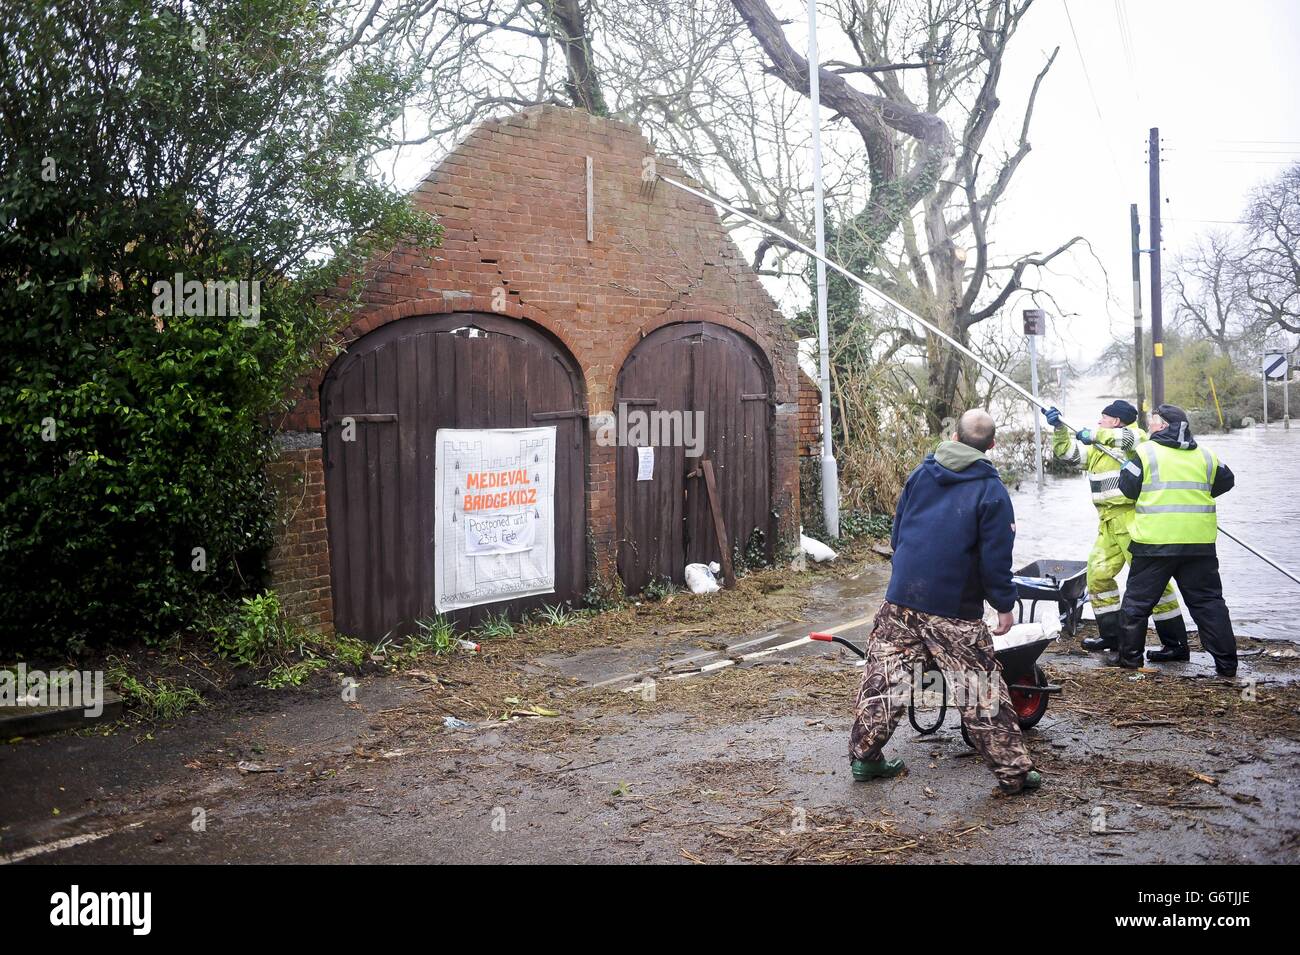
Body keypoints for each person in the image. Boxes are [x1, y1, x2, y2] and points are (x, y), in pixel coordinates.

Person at [849, 409, 1041, 795]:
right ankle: (1014, 774)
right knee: (979, 688)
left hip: (900, 600)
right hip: (954, 609)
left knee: (886, 680)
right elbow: (995, 559)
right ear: (991, 445)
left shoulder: (921, 474)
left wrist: (909, 574)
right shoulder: (992, 492)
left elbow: (897, 532)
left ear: (954, 436)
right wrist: (1005, 605)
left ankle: (865, 759)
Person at [1042, 400, 1188, 658]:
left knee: (1153, 584)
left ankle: (1175, 643)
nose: (1099, 422)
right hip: (1107, 523)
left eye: (1104, 418)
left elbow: (1128, 438)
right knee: (1097, 576)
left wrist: (1093, 434)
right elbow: (1066, 454)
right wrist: (1058, 428)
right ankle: (1111, 637)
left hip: (1132, 520)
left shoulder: (1137, 439)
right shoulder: (1099, 449)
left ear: (1117, 421)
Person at [1109, 403, 1238, 675]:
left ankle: (1129, 662)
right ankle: (1227, 666)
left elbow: (1127, 489)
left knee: (1136, 605)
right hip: (1198, 544)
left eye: (1153, 420)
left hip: (1154, 543)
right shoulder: (1205, 455)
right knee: (1208, 604)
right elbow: (1227, 480)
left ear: (1163, 425)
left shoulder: (1145, 453)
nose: (1149, 424)